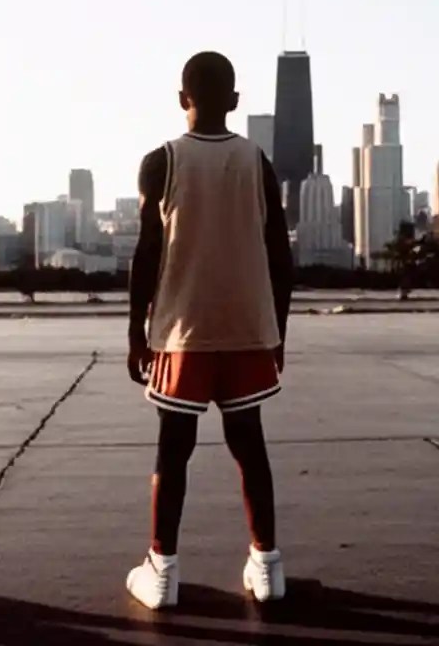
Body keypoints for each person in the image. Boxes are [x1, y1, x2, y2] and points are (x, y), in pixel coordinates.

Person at [126, 51, 293, 609]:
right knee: (250, 447)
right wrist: (278, 332)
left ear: (183, 98)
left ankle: (162, 570)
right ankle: (267, 566)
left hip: (182, 331)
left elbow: (146, 252)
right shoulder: (257, 161)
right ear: (236, 101)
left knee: (173, 450)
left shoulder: (162, 161)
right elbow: (280, 255)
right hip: (247, 329)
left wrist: (136, 332)